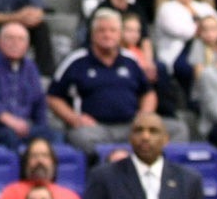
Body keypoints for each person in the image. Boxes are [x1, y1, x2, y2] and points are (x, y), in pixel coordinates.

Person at [48, 8, 160, 155]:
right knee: (81, 137)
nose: (107, 35)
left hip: (130, 126)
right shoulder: (76, 60)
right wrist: (74, 118)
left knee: (175, 130)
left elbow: (149, 93)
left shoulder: (130, 60)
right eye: (102, 30)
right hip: (95, 129)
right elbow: (53, 97)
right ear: (93, 34)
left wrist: (144, 116)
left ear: (120, 35)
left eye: (112, 31)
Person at [79, 112, 208, 199]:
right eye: (138, 130)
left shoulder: (189, 181)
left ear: (166, 139)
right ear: (130, 137)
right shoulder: (104, 179)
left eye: (153, 131)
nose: (145, 137)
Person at [0, 22, 64, 152]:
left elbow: (39, 102)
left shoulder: (31, 67)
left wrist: (41, 127)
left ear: (27, 45)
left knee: (56, 137)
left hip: (24, 126)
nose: (15, 43)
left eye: (20, 39)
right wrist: (11, 121)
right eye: (10, 38)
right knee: (9, 137)